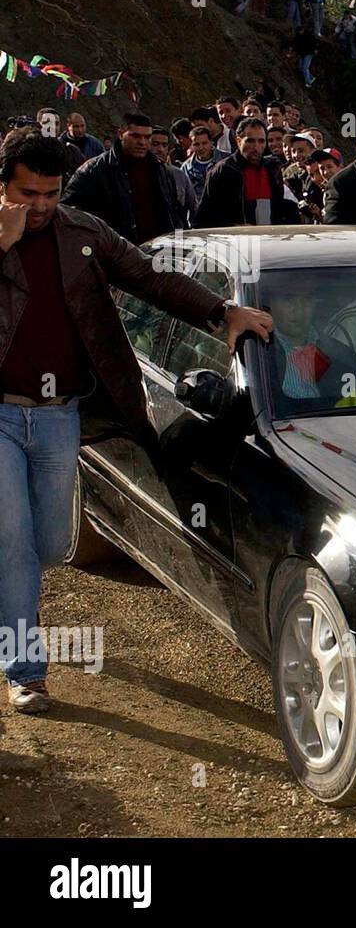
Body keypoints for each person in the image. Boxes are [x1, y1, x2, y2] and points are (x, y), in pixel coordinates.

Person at [0, 133, 272, 712]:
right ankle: (25, 668)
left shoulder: (84, 234)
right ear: (4, 187)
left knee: (47, 544)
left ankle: (10, 602)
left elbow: (150, 276)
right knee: (15, 547)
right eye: (28, 193)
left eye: (50, 193)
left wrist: (221, 310)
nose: (41, 206)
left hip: (59, 416)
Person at [62, 112, 180, 244]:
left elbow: (173, 212)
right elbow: (69, 212)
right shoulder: (95, 170)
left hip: (156, 251)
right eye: (135, 136)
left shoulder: (160, 169)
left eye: (147, 137)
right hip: (113, 253)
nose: (142, 142)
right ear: (120, 134)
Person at [194, 117, 300, 227]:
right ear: (239, 141)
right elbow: (203, 218)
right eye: (250, 141)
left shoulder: (272, 169)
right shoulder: (222, 171)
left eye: (261, 141)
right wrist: (234, 227)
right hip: (238, 241)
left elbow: (277, 208)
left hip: (270, 239)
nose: (256, 147)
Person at [150, 126, 197, 226]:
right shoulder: (136, 175)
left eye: (164, 145)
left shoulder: (178, 175)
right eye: (155, 144)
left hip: (177, 232)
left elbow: (192, 207)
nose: (160, 149)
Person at [180, 124, 219, 206]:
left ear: (211, 143)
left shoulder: (226, 160)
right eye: (196, 144)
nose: (201, 148)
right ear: (191, 146)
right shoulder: (186, 168)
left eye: (204, 143)